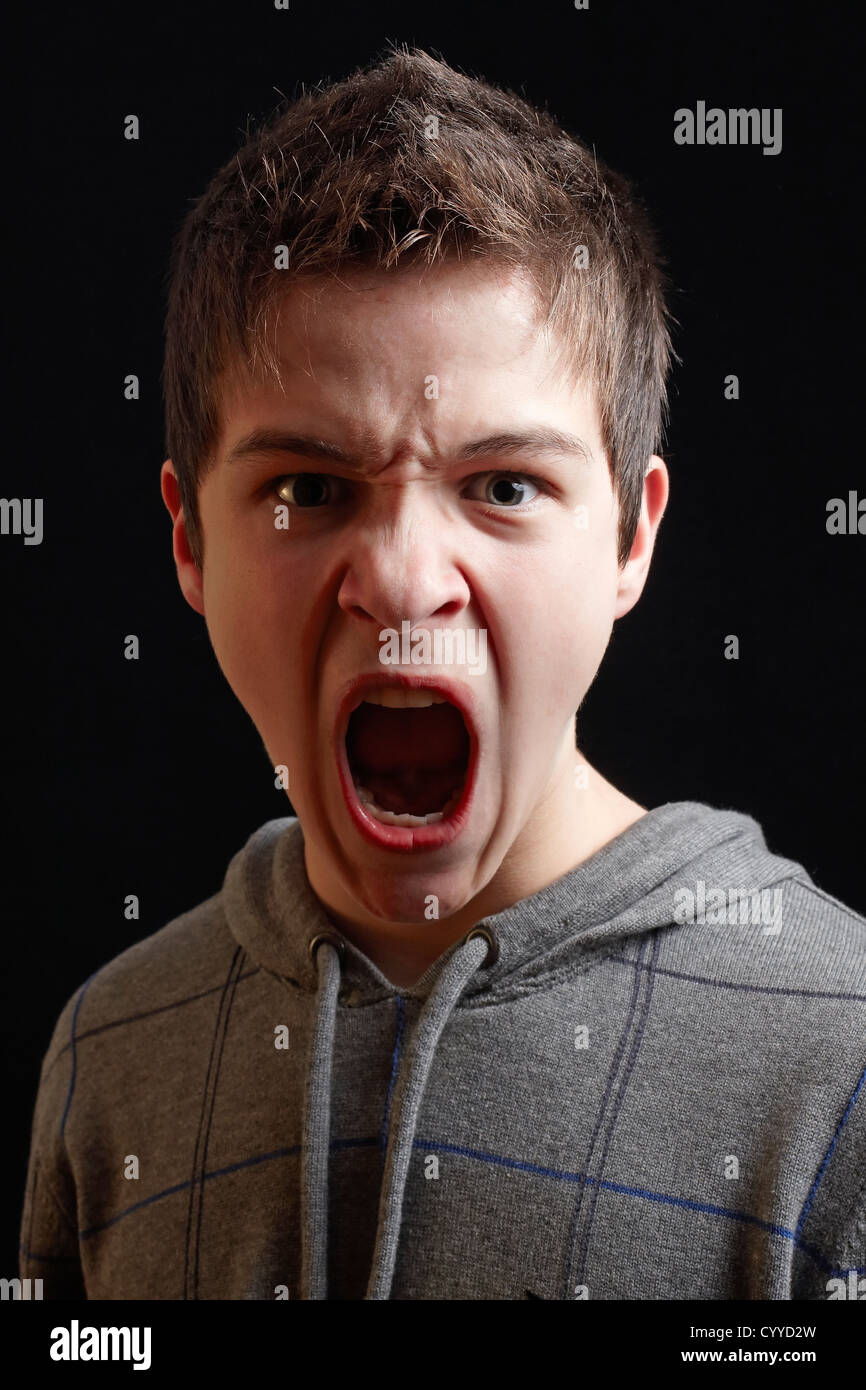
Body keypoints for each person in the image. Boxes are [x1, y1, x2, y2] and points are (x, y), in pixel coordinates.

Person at [19, 45, 864, 1301]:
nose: (407, 581)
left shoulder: (836, 1051)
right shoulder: (109, 1050)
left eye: (503, 486)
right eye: (307, 489)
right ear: (189, 540)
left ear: (631, 535)